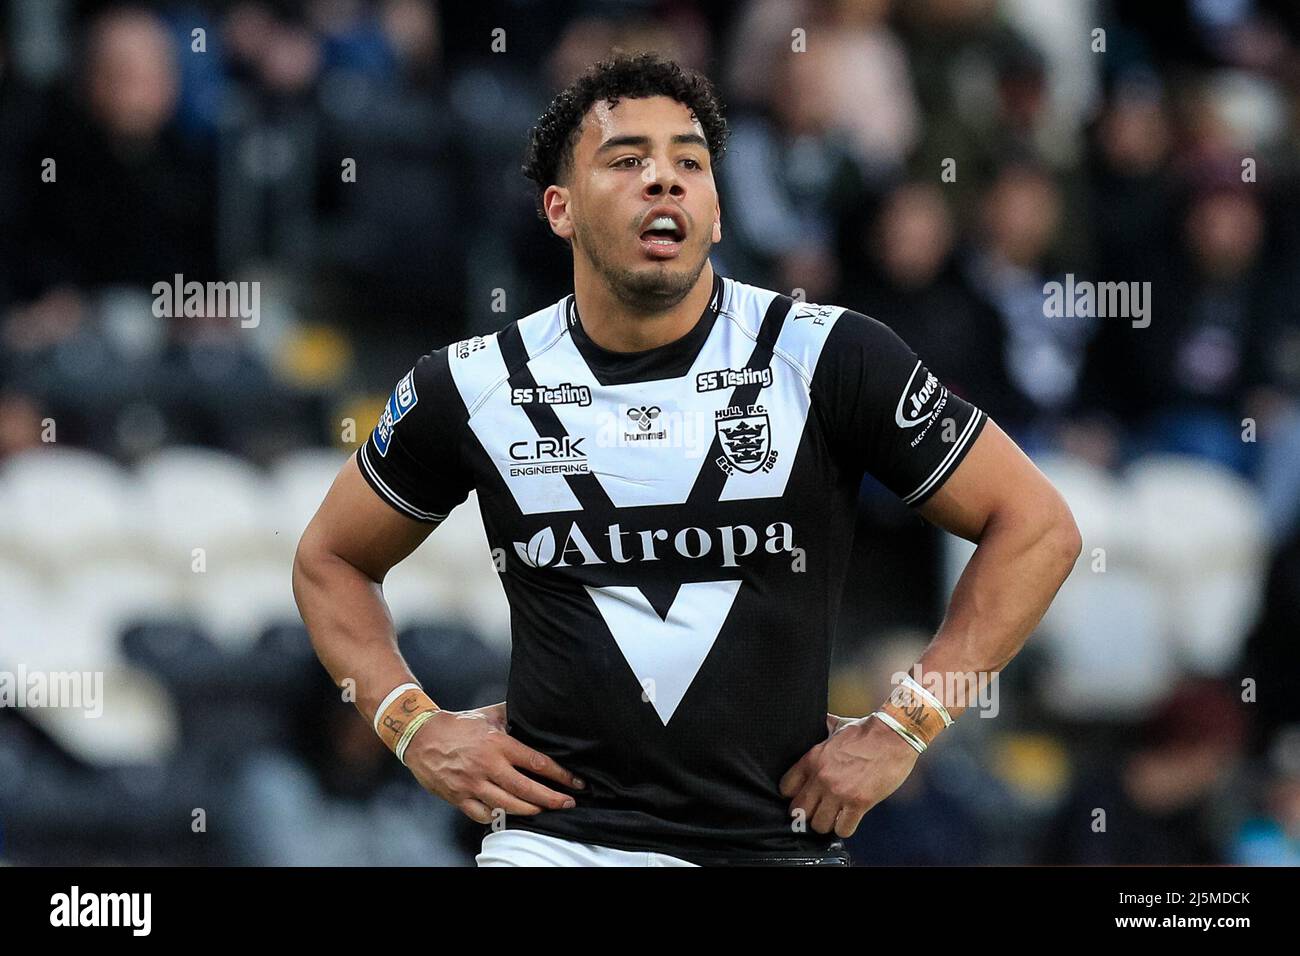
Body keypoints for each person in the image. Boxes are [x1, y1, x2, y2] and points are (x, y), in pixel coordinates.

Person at [292, 53, 1081, 867]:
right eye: (628, 159)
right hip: (559, 849)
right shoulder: (474, 382)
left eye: (690, 163)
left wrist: (907, 725)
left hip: (776, 849)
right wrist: (413, 724)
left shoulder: (828, 356)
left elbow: (1037, 527)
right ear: (558, 208)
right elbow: (331, 559)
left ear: (716, 213)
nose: (664, 180)